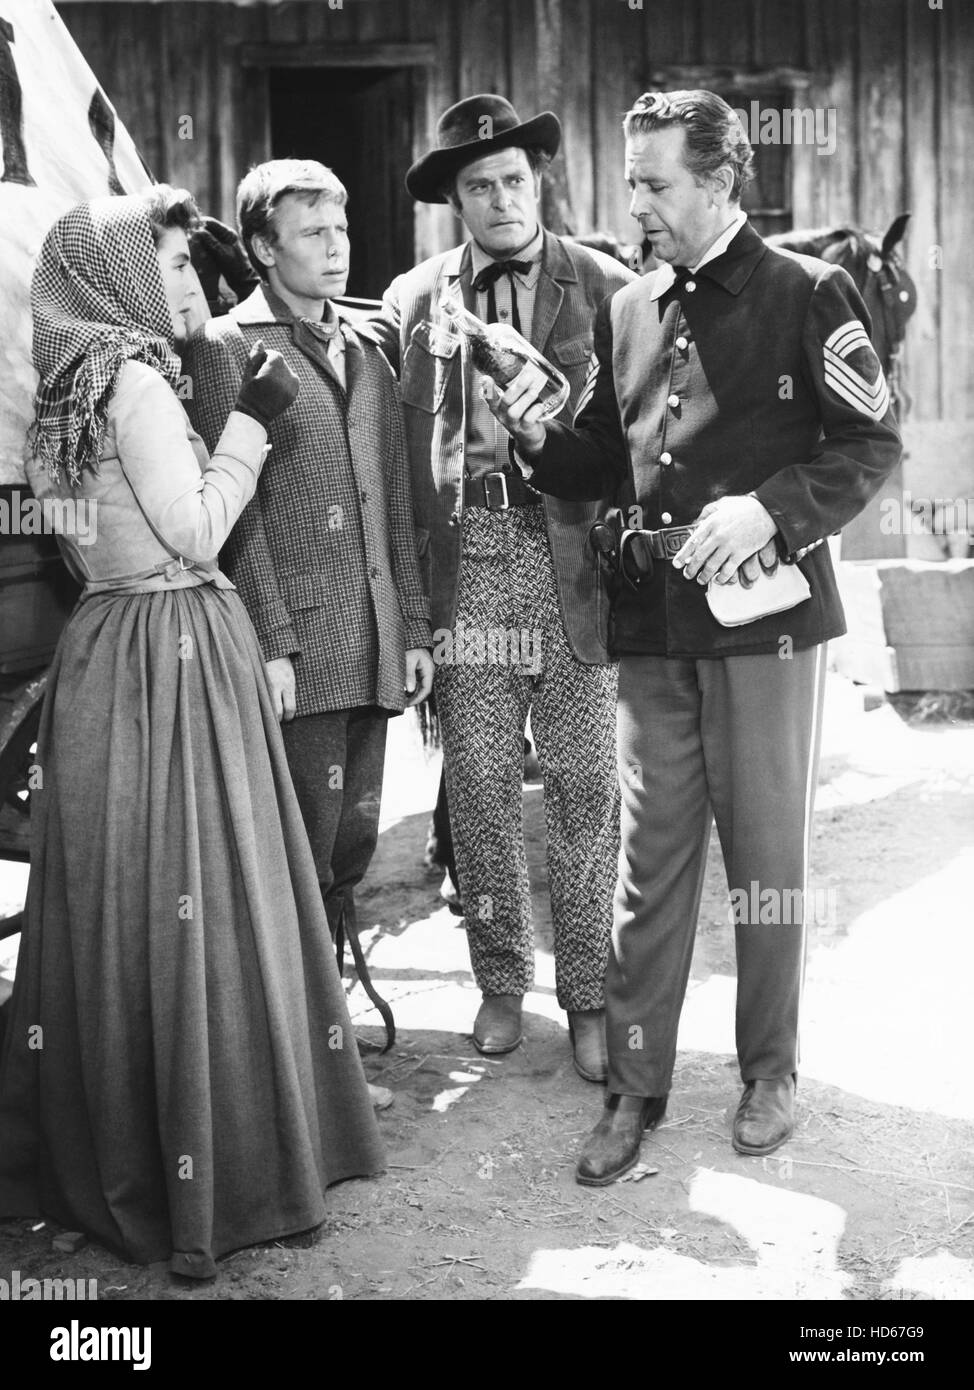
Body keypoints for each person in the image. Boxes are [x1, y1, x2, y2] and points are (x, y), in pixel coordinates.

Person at [487, 90, 902, 1181]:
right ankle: (635, 1084)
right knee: (650, 868)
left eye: (654, 184)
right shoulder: (628, 307)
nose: (634, 205)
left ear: (719, 183)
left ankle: (768, 1069)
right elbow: (596, 456)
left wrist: (769, 508)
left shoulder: (808, 292)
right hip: (652, 629)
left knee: (765, 862)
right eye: (627, 182)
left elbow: (868, 443)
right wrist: (530, 434)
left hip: (763, 630)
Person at [0, 187, 384, 1277]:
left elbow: (81, 546)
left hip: (103, 649)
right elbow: (199, 524)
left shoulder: (60, 389)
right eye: (170, 267)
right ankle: (219, 1166)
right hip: (179, 641)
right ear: (118, 278)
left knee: (117, 909)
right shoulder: (135, 384)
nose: (192, 287)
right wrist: (253, 424)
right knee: (212, 898)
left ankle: (105, 1150)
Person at [366, 95, 637, 1080]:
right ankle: (496, 982)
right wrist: (410, 602)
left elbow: (635, 448)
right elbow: (394, 458)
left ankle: (589, 994)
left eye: (512, 179)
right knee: (475, 784)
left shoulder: (607, 286)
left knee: (582, 784)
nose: (498, 198)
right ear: (454, 200)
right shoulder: (410, 299)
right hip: (470, 554)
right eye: (476, 185)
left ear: (538, 182)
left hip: (570, 557)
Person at [184, 162, 434, 1079]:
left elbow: (393, 505)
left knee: (353, 843)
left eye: (342, 229)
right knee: (295, 841)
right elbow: (231, 512)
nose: (337, 247)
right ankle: (286, 1051)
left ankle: (325, 1023)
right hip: (300, 646)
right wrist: (273, 641)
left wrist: (411, 626)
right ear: (259, 247)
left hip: (371, 639)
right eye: (312, 233)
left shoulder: (369, 348)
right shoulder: (225, 348)